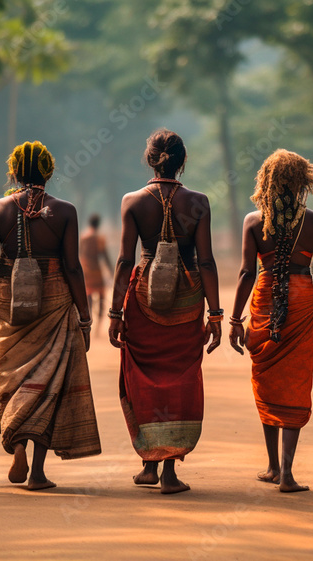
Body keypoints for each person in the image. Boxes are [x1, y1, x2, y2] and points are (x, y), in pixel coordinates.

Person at [0, 141, 101, 491]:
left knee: (11, 374)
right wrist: (84, 317)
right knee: (49, 380)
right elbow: (72, 266)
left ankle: (17, 442)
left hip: (8, 300)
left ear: (14, 172)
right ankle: (38, 472)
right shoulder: (66, 211)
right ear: (49, 172)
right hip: (53, 299)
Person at [108, 128, 222, 494]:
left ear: (150, 158)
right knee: (181, 376)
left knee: (142, 376)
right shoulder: (199, 202)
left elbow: (126, 259)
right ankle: (169, 471)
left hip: (142, 297)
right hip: (188, 300)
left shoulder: (132, 201)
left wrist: (114, 313)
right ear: (182, 161)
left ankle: (148, 466)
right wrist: (216, 314)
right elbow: (205, 262)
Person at [229, 149, 313, 493]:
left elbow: (247, 272)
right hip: (304, 303)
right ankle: (286, 472)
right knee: (295, 383)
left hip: (264, 300)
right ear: (304, 182)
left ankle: (273, 466)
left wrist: (233, 319)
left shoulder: (253, 221)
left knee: (267, 381)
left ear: (266, 180)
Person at [80, 214, 113, 330]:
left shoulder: (83, 237)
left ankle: (89, 323)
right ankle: (98, 326)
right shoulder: (99, 239)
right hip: (97, 272)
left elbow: (79, 254)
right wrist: (112, 270)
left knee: (88, 299)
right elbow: (104, 255)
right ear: (98, 224)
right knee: (101, 298)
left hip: (86, 271)